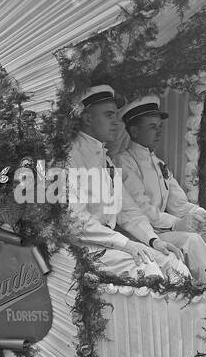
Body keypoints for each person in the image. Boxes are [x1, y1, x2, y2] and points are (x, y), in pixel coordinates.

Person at [113, 94, 206, 283]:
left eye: (159, 127)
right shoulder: (123, 162)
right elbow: (141, 209)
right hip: (141, 235)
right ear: (134, 131)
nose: (159, 132)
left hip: (164, 231)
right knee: (191, 240)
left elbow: (180, 205)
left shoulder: (158, 163)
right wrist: (177, 224)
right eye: (152, 127)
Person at [63, 85, 189, 284]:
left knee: (174, 264)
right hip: (81, 247)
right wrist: (127, 244)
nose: (116, 122)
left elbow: (127, 210)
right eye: (109, 115)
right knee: (148, 270)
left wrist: (154, 241)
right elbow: (77, 221)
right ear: (87, 119)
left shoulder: (105, 160)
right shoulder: (70, 158)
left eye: (115, 115)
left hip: (108, 243)